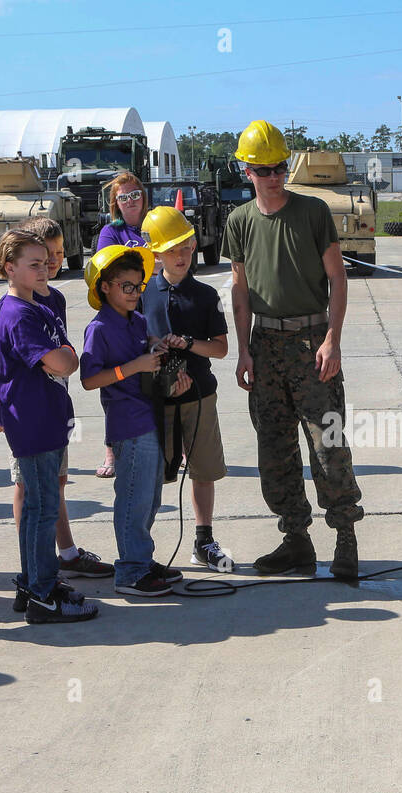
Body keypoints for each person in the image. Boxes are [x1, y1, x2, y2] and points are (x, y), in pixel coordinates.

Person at [223, 119, 363, 579]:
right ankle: (296, 542)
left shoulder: (313, 211)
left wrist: (332, 341)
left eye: (280, 166)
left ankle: (345, 538)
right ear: (246, 171)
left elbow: (338, 278)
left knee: (328, 444)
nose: (274, 176)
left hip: (311, 344)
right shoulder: (239, 221)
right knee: (275, 450)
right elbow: (240, 291)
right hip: (264, 346)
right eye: (263, 169)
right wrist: (244, 351)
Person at [0, 216, 113, 590]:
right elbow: (63, 360)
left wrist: (64, 355)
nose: (47, 267)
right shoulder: (17, 312)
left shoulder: (45, 304)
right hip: (30, 419)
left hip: (51, 414)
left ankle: (39, 581)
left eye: (51, 259)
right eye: (36, 263)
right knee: (37, 504)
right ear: (10, 267)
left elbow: (65, 357)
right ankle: (40, 585)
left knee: (49, 495)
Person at [79, 245, 190, 597]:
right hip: (128, 423)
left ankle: (141, 558)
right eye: (126, 286)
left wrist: (158, 348)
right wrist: (135, 366)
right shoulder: (99, 329)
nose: (134, 293)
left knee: (150, 495)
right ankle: (130, 570)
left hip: (151, 415)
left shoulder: (138, 321)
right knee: (132, 497)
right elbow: (88, 378)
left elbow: (147, 348)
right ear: (105, 287)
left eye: (139, 286)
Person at [140, 205, 234, 572]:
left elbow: (221, 348)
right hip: (155, 396)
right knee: (153, 474)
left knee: (203, 470)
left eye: (186, 246)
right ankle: (141, 548)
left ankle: (203, 539)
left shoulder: (206, 295)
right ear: (156, 253)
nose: (180, 256)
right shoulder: (144, 293)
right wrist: (153, 346)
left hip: (199, 394)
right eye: (171, 249)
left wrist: (187, 344)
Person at [93, 172, 148, 479]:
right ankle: (112, 451)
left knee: (160, 379)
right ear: (115, 202)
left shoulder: (155, 225)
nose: (131, 201)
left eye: (135, 194)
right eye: (124, 197)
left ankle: (174, 446)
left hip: (151, 311)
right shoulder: (109, 232)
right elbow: (107, 268)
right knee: (115, 386)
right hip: (121, 318)